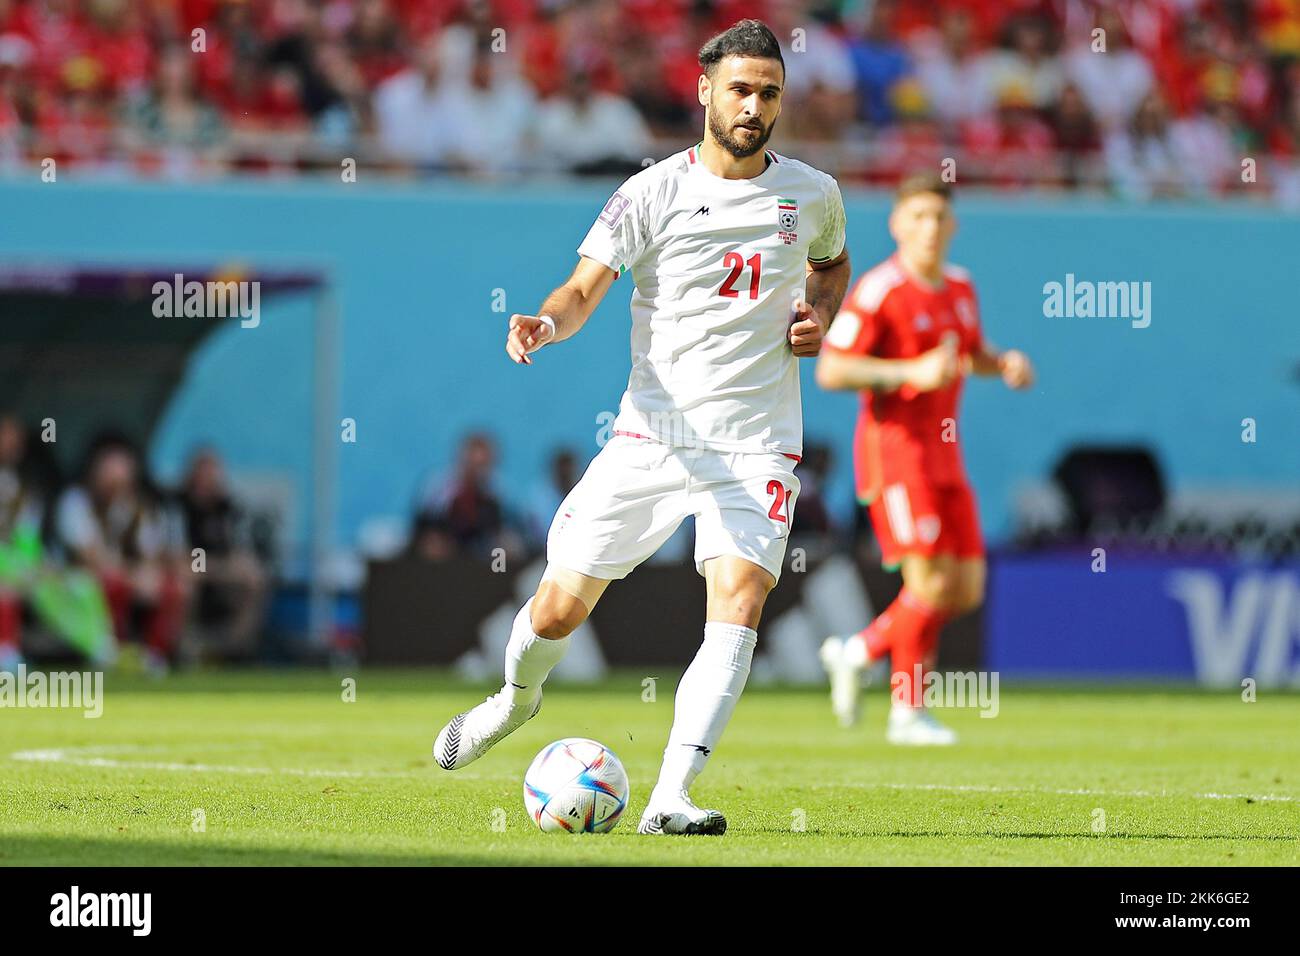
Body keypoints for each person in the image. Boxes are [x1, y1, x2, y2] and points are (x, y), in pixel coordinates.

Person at [432, 19, 849, 836]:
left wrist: (820, 317)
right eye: (740, 88)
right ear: (703, 90)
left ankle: (670, 797)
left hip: (756, 441)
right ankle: (516, 699)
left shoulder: (813, 194)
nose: (754, 105)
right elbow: (583, 288)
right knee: (555, 611)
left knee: (739, 598)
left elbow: (830, 265)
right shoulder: (651, 191)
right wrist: (546, 325)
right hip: (652, 437)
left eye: (769, 92)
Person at [815, 172, 1034, 745]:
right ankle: (907, 710)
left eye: (939, 218)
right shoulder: (880, 290)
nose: (930, 229)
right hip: (895, 454)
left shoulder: (960, 288)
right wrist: (907, 373)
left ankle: (858, 651)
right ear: (897, 224)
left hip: (945, 455)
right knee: (930, 583)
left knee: (965, 589)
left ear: (953, 225)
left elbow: (969, 353)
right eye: (918, 217)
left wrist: (1002, 364)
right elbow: (832, 369)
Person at [55, 433, 190, 675]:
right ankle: (110, 651)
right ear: (94, 471)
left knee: (174, 586)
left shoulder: (137, 506)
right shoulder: (75, 501)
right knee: (111, 580)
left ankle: (154, 656)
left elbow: (150, 554)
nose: (115, 481)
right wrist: (132, 574)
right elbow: (90, 557)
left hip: (126, 575)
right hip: (78, 583)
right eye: (108, 472)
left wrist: (148, 573)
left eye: (122, 473)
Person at [179, 447, 269, 662]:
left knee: (254, 579)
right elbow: (181, 559)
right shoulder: (178, 508)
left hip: (218, 574)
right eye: (202, 474)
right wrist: (211, 567)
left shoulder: (229, 511)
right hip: (190, 572)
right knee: (186, 581)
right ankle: (186, 648)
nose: (207, 481)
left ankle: (232, 649)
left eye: (212, 474)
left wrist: (215, 568)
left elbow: (241, 555)